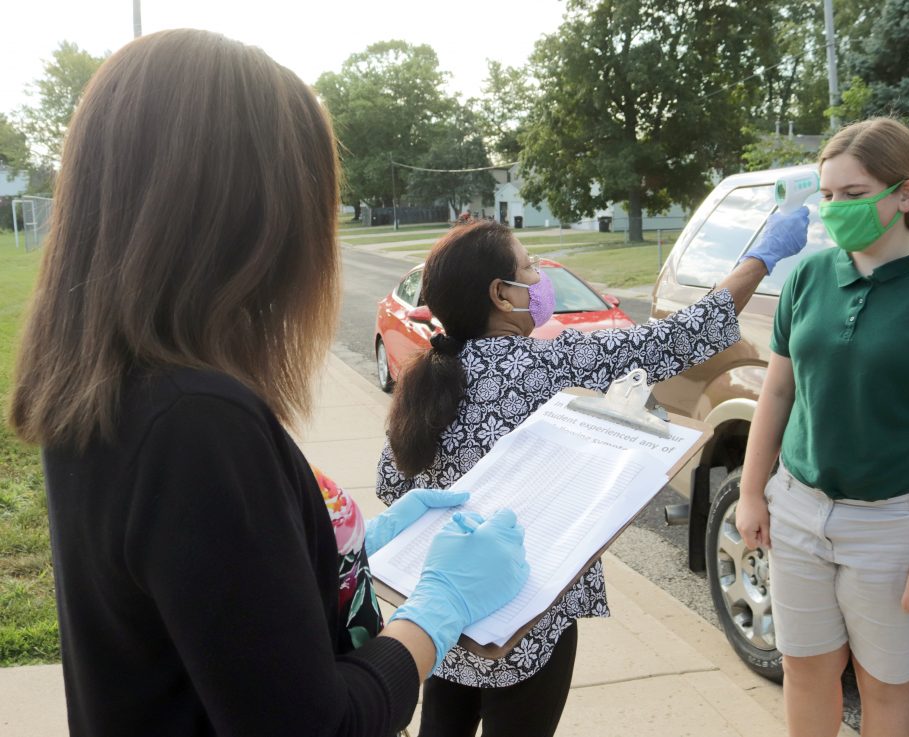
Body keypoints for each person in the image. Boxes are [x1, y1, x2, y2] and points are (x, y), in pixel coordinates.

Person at [7, 29, 530, 737]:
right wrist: (439, 607)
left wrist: (346, 545)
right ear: (247, 218)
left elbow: (209, 598)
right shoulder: (196, 424)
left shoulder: (111, 386)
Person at [377, 211, 810, 737]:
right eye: (529, 269)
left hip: (444, 617)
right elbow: (678, 338)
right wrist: (759, 258)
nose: (539, 282)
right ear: (500, 294)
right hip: (524, 621)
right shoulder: (548, 367)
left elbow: (392, 487)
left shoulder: (423, 381)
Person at [735, 117, 909, 737]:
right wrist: (754, 490)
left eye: (854, 195)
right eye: (828, 195)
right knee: (805, 667)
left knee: (885, 684)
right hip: (799, 511)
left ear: (905, 195)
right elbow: (779, 390)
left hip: (896, 525)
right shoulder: (808, 276)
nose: (835, 210)